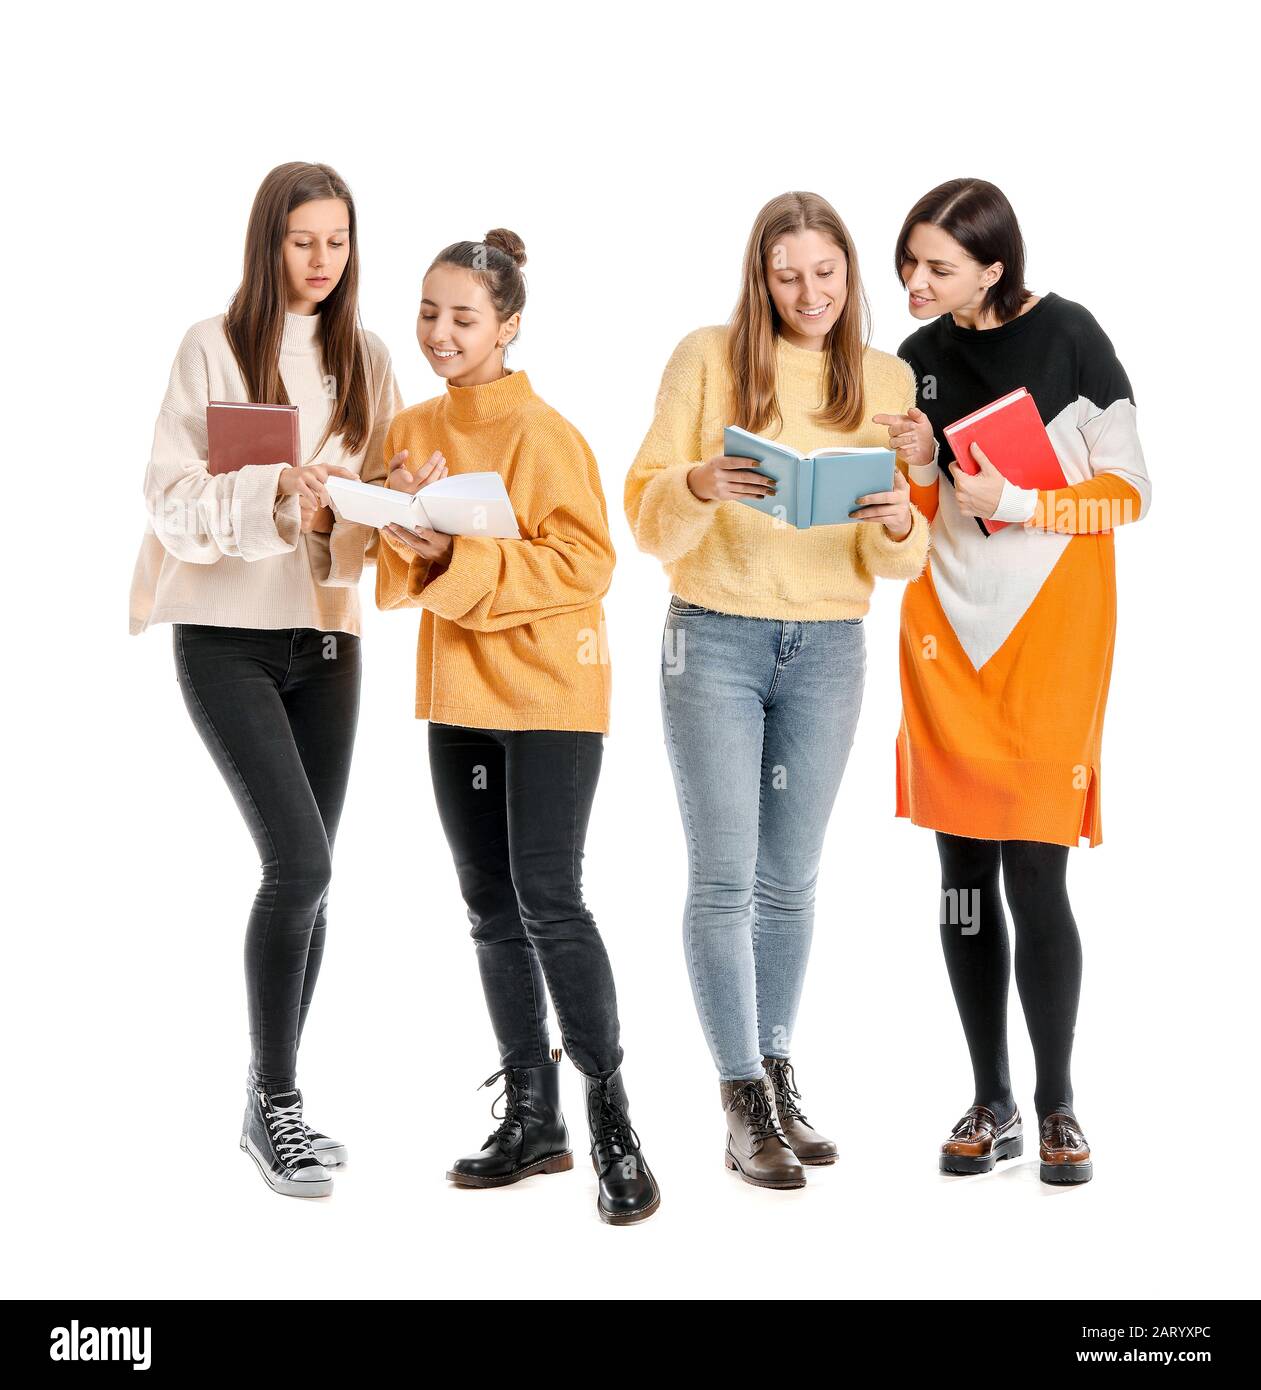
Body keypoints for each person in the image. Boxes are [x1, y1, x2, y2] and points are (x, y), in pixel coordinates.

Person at [625, 191, 929, 1189]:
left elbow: (902, 558)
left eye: (827, 274)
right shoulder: (706, 357)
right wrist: (699, 485)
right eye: (788, 274)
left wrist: (893, 519)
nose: (809, 293)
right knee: (723, 875)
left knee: (789, 880)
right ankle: (739, 1095)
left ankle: (779, 1066)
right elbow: (643, 506)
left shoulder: (884, 380)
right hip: (713, 636)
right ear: (760, 278)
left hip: (829, 647)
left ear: (850, 276)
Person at [376, 229, 659, 1225]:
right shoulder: (408, 426)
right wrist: (383, 519)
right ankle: (530, 1113)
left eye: (463, 317)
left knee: (550, 898)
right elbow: (391, 569)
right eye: (427, 312)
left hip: (548, 695)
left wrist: (455, 552)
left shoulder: (547, 434)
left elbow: (588, 566)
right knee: (489, 904)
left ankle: (612, 1114)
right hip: (458, 695)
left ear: (508, 325)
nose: (442, 333)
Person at [129, 161, 401, 1198]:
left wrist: (381, 497)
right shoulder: (211, 345)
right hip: (224, 635)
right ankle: (274, 1106)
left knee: (315, 873)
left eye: (337, 242)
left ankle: (272, 1098)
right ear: (267, 243)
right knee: (297, 861)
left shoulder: (367, 357)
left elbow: (379, 515)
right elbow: (170, 501)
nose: (322, 261)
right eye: (303, 242)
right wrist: (274, 489)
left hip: (327, 639)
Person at [886, 178, 1151, 1185]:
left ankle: (1057, 1105)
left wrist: (1025, 497)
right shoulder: (912, 362)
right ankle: (988, 1098)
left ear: (994, 269)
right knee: (960, 882)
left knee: (1036, 876)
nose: (913, 282)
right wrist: (913, 464)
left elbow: (1130, 493)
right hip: (943, 632)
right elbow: (912, 522)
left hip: (1051, 635)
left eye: (937, 267)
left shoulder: (1072, 337)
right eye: (907, 262)